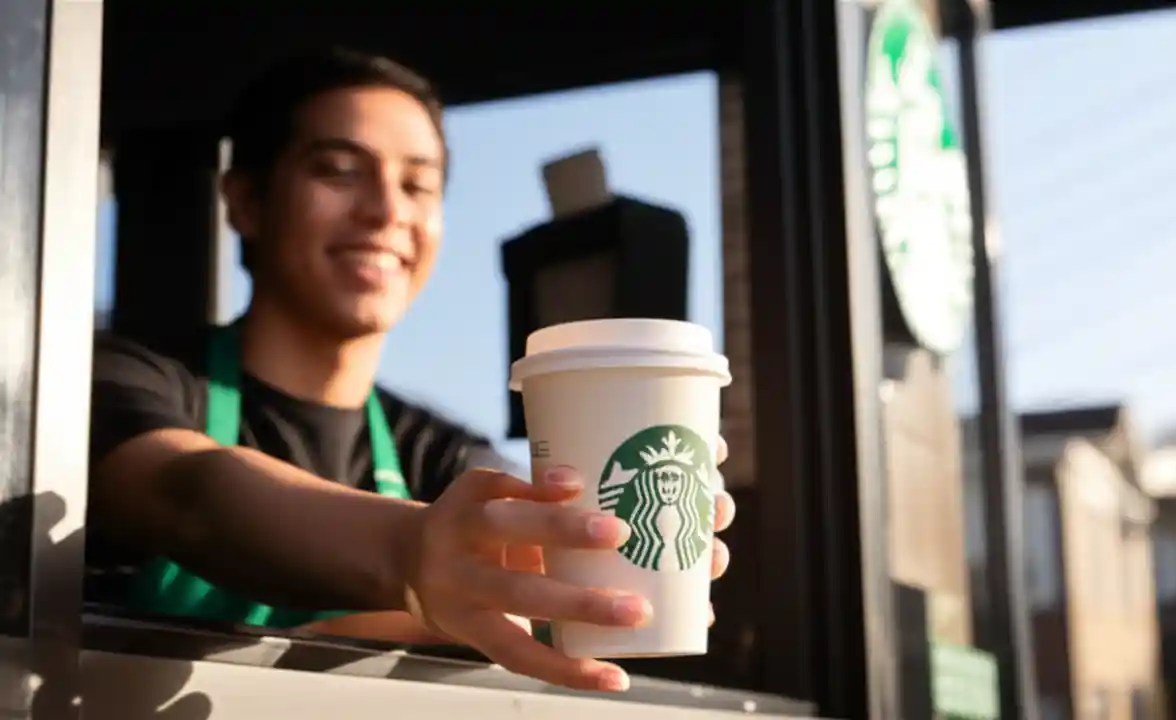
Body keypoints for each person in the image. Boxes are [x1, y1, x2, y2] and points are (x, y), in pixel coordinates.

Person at [87, 47, 735, 693]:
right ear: (247, 201)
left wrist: (607, 558)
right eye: (340, 171)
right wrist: (412, 553)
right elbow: (184, 494)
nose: (386, 211)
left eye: (417, 185)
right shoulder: (124, 381)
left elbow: (507, 587)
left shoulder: (446, 458)